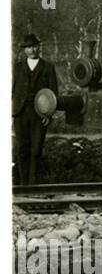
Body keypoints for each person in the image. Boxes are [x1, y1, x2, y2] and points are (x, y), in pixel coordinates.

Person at [13, 33, 58, 186]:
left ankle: (33, 186)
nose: (31, 50)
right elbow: (10, 91)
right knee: (22, 150)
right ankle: (23, 185)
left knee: (36, 150)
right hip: (20, 114)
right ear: (24, 50)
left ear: (39, 47)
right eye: (28, 47)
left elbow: (53, 93)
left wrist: (49, 114)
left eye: (34, 46)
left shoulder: (48, 67)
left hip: (40, 115)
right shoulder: (17, 67)